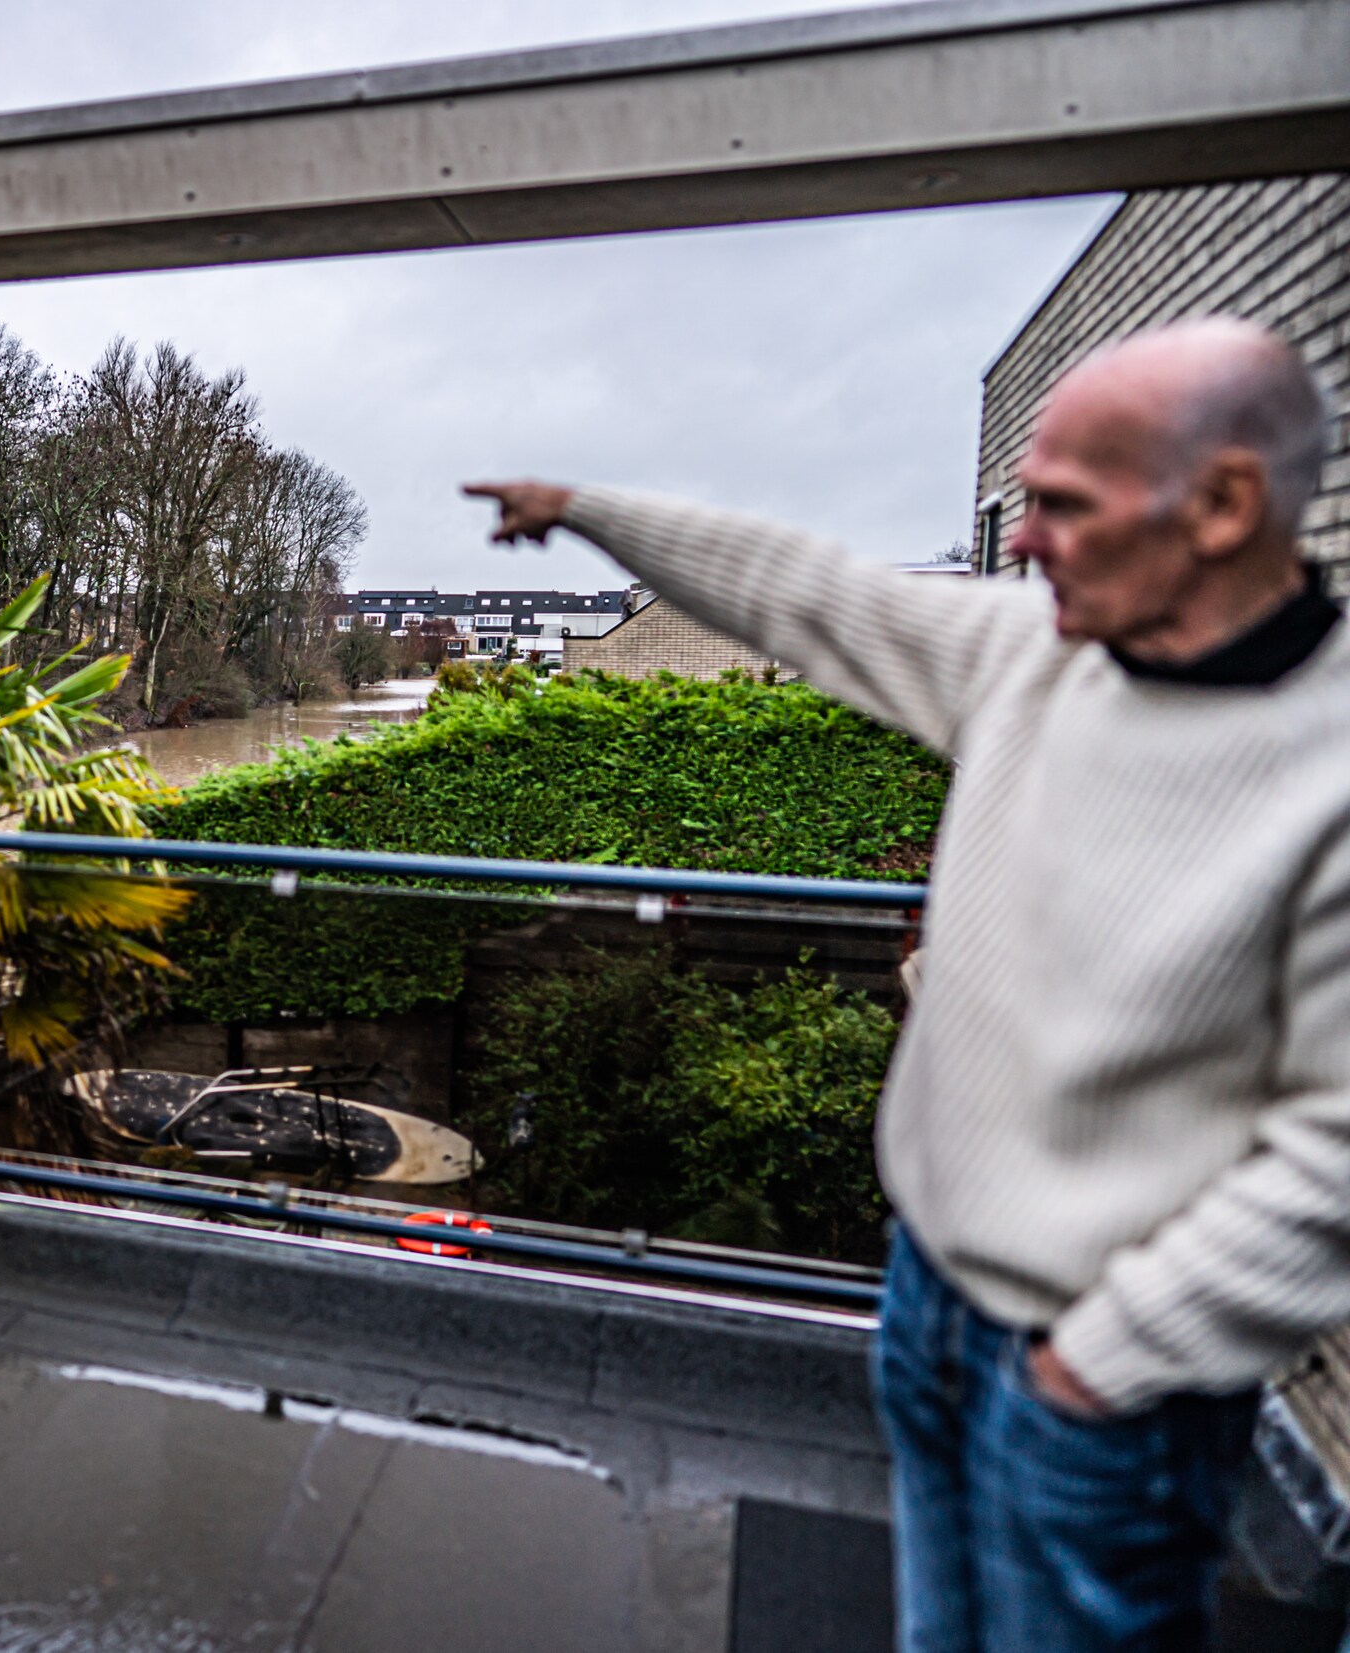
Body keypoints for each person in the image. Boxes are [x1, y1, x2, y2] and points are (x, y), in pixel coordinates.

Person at [466, 318, 1342, 1652]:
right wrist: (590, 511)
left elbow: (1335, 1156)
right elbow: (805, 589)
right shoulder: (1032, 652)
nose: (1025, 538)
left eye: (1061, 504)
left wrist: (1100, 1360)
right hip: (928, 1296)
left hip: (1111, 1389)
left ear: (1221, 505)